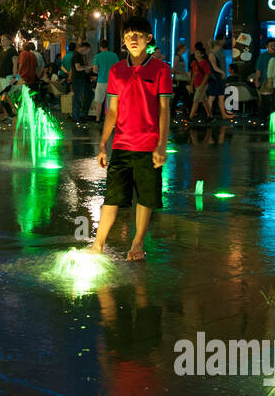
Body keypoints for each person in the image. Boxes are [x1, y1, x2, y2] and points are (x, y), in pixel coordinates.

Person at [91, 17, 172, 261]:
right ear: (124, 41)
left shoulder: (161, 69)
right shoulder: (117, 70)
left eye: (138, 35)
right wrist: (103, 144)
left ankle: (137, 242)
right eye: (128, 36)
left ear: (149, 39)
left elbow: (165, 109)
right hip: (122, 144)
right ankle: (98, 244)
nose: (133, 40)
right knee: (112, 196)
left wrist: (161, 145)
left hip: (149, 146)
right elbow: (112, 110)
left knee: (145, 197)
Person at [88, 38, 120, 121]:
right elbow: (117, 68)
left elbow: (95, 70)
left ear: (100, 47)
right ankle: (109, 120)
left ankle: (97, 119)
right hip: (112, 82)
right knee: (110, 102)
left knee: (99, 101)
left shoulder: (97, 57)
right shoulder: (114, 55)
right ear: (108, 46)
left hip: (101, 81)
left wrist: (101, 71)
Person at [188, 44, 212, 121]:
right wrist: (191, 85)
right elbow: (193, 75)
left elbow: (207, 74)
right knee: (204, 100)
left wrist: (202, 85)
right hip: (197, 84)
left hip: (202, 85)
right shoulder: (194, 62)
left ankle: (190, 117)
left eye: (198, 53)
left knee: (196, 100)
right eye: (196, 52)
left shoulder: (204, 62)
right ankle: (210, 116)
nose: (196, 54)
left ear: (202, 54)